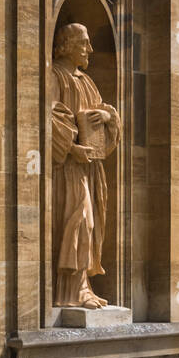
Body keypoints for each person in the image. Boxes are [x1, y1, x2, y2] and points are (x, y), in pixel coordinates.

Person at [50, 21, 119, 309]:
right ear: (66, 46)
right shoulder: (54, 75)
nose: (90, 49)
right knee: (81, 220)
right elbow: (46, 115)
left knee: (91, 226)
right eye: (83, 43)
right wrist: (71, 148)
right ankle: (69, 292)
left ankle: (83, 287)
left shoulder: (87, 81)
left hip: (89, 167)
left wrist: (107, 118)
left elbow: (104, 114)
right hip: (68, 168)